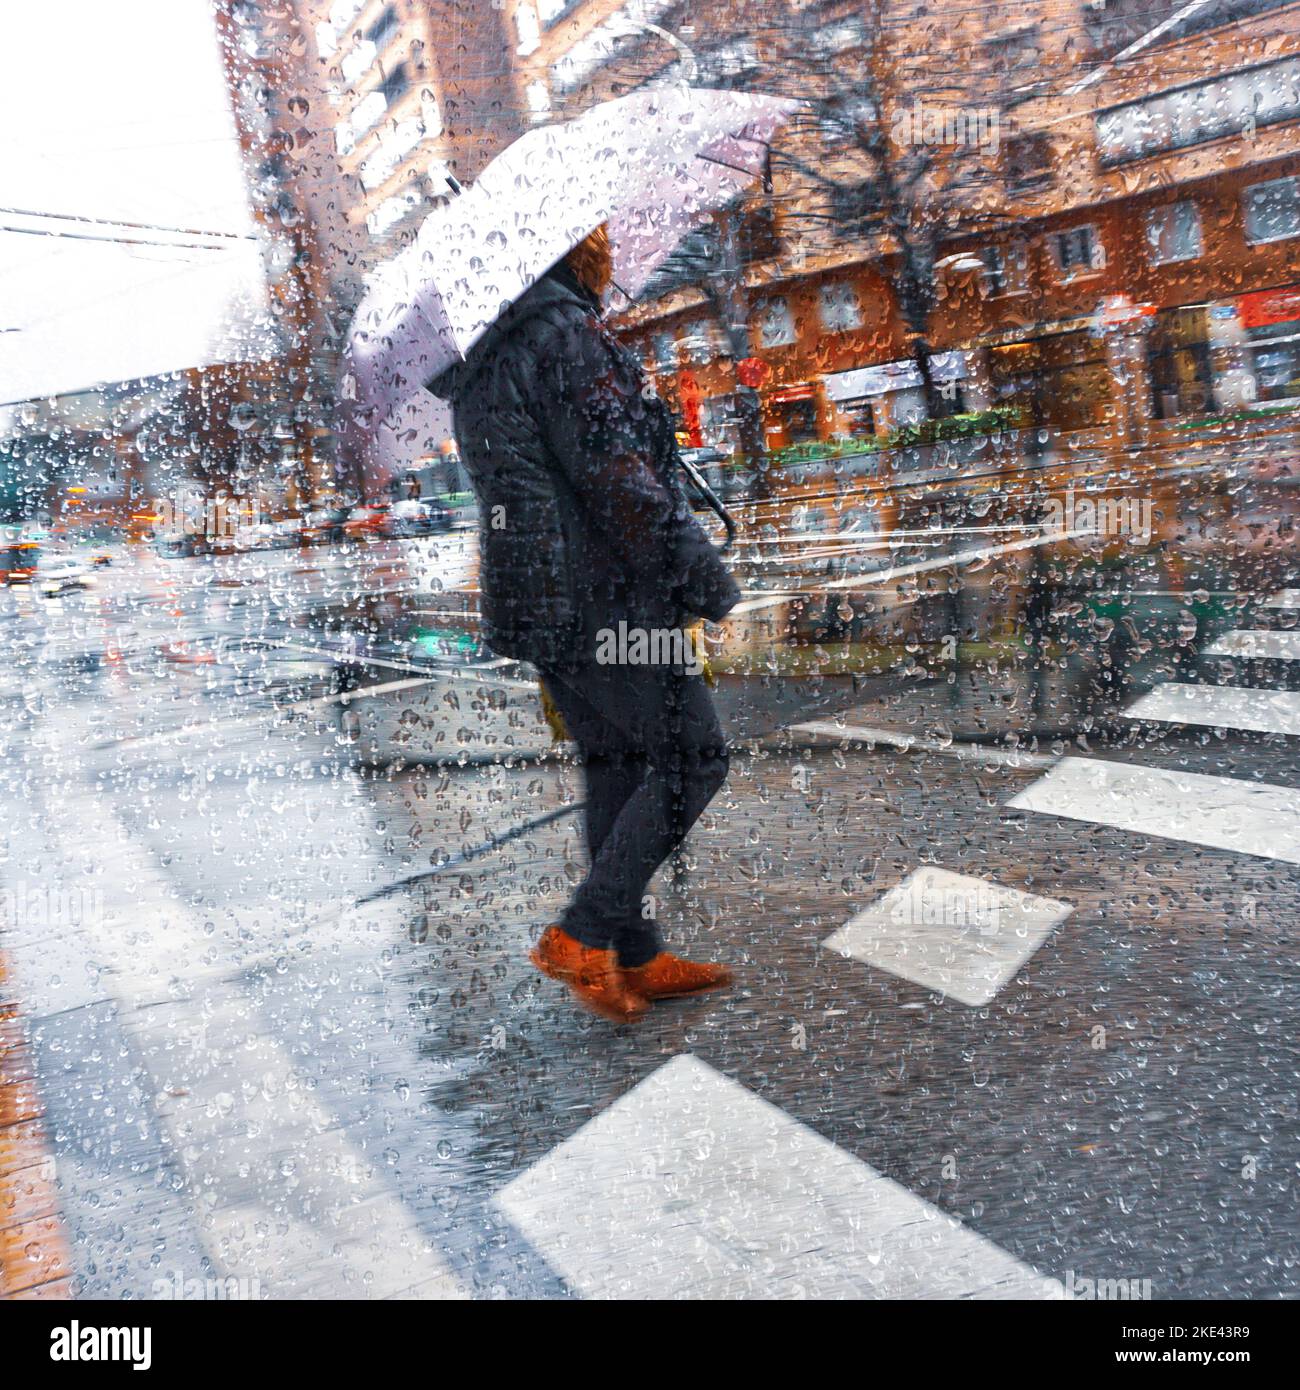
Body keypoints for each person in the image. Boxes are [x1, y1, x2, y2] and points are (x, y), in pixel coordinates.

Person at [427, 224, 741, 1024]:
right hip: (608, 598)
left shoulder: (488, 353)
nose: (611, 247)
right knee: (694, 758)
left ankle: (631, 954)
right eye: (598, 236)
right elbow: (619, 486)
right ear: (571, 248)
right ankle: (581, 933)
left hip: (542, 600)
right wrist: (704, 578)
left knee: (620, 764)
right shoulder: (564, 336)